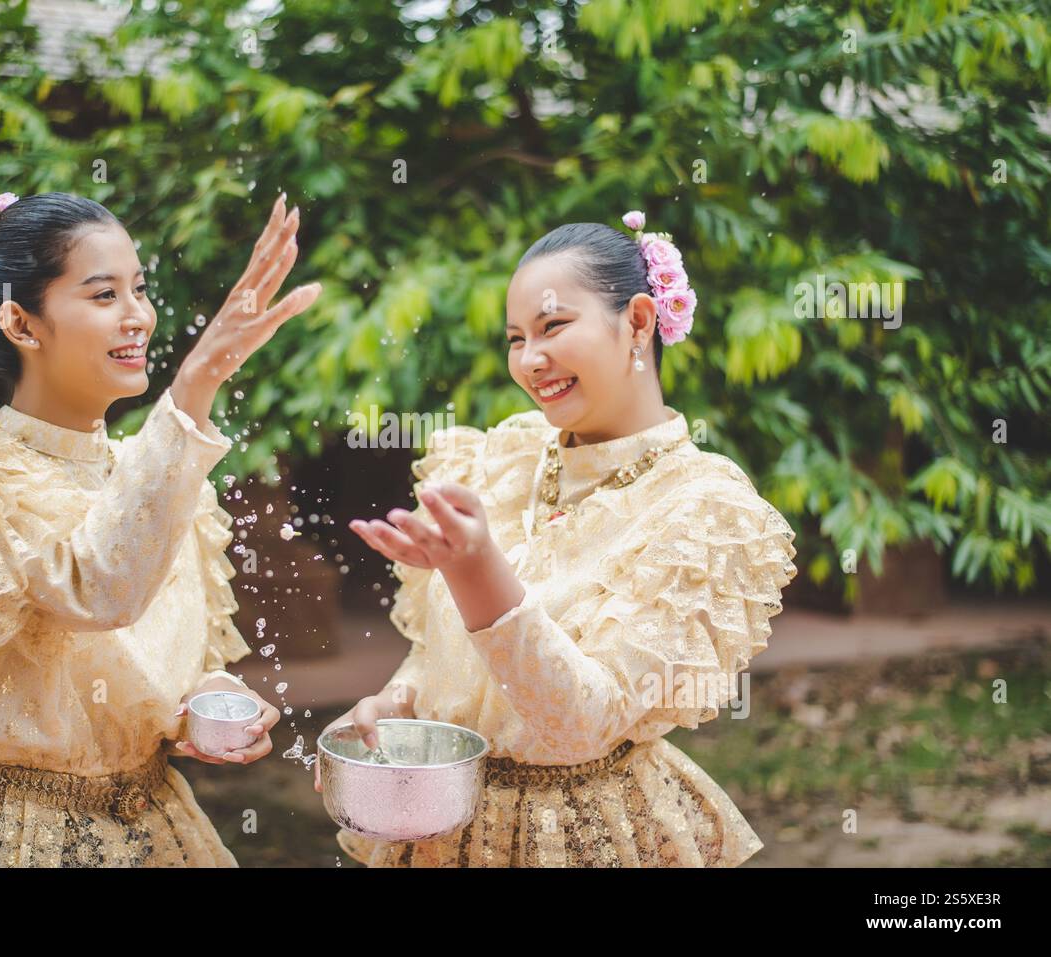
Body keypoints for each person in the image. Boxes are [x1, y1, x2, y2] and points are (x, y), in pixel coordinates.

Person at [322, 213, 798, 867]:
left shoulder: (704, 510)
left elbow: (582, 723)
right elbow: (446, 654)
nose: (529, 359)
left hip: (585, 836)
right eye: (516, 338)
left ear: (637, 320)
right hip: (438, 830)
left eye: (552, 327)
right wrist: (397, 703)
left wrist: (476, 568)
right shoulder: (503, 455)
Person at [0, 191, 320, 866]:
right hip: (17, 839)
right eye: (104, 295)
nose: (138, 315)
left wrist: (214, 701)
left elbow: (168, 660)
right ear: (21, 322)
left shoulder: (154, 468)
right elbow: (98, 587)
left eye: (140, 289)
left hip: (159, 830)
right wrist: (193, 384)